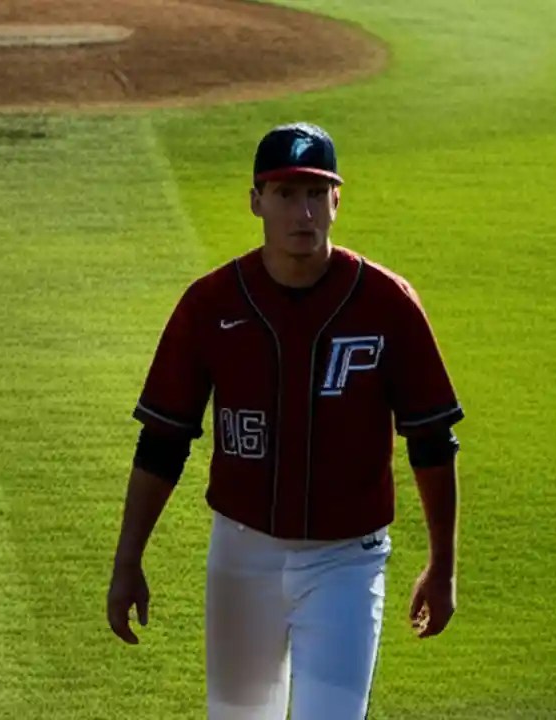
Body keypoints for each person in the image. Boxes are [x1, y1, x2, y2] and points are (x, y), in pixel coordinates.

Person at [106, 122, 464, 720]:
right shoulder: (210, 304)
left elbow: (432, 440)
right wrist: (127, 561)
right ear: (255, 201)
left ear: (337, 200)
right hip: (242, 557)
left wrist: (443, 567)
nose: (304, 212)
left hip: (347, 561)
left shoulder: (387, 303)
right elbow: (162, 441)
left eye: (316, 193)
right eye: (285, 193)